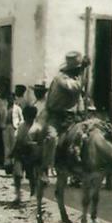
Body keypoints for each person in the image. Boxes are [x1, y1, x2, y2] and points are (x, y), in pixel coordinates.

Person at [32, 51, 90, 183]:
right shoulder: (61, 78)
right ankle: (45, 168)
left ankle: (77, 170)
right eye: (78, 69)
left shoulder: (76, 79)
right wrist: (84, 72)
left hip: (72, 118)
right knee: (51, 138)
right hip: (56, 117)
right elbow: (73, 88)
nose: (78, 71)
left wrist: (81, 113)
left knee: (84, 139)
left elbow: (79, 98)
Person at [10, 105, 39, 204]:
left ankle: (33, 193)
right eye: (26, 116)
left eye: (29, 117)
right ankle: (18, 195)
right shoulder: (21, 125)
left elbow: (41, 142)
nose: (27, 119)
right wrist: (12, 152)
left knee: (32, 175)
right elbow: (18, 139)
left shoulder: (37, 127)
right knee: (17, 174)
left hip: (32, 153)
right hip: (20, 151)